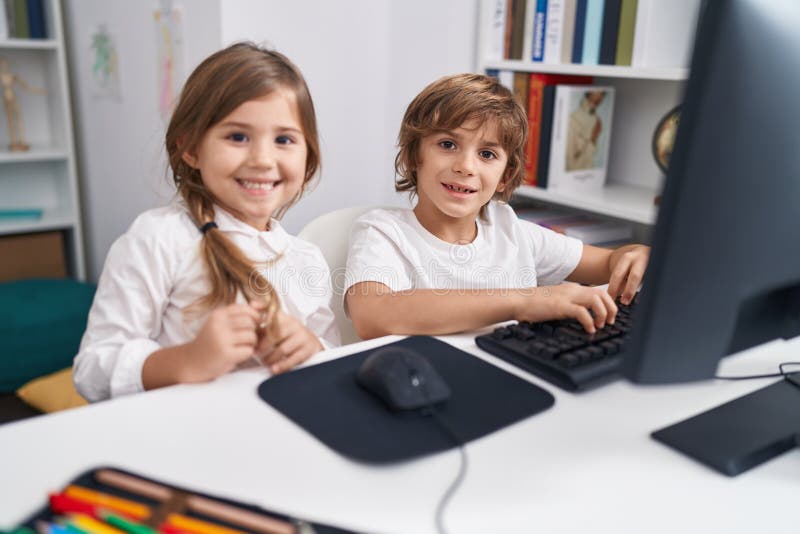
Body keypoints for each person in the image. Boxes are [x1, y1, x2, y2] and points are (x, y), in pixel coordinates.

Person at [74, 43, 339, 402]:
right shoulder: (160, 238)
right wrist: (189, 360)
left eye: (284, 139)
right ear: (192, 148)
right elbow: (91, 370)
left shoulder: (306, 258)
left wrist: (311, 347)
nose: (263, 159)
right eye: (238, 137)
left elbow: (331, 356)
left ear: (308, 154)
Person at [344, 74, 649, 339]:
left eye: (487, 154)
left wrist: (634, 255)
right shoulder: (383, 232)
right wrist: (523, 301)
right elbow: (373, 314)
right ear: (413, 156)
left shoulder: (510, 229)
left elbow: (609, 264)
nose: (466, 166)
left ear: (505, 176)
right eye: (448, 144)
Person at [566, 90, 606, 171]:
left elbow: (591, 158)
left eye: (603, 94)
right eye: (598, 92)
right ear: (589, 92)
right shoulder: (573, 118)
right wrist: (593, 138)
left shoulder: (596, 119)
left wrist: (594, 139)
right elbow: (571, 163)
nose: (600, 97)